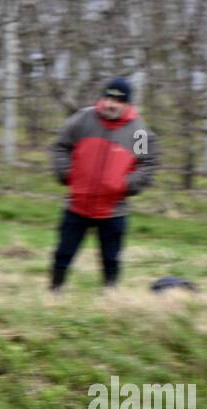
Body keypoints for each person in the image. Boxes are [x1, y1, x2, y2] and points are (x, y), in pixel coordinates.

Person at [49, 77, 159, 290]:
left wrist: (125, 185)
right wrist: (66, 174)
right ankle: (54, 293)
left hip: (113, 211)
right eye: (108, 97)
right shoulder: (83, 119)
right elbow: (61, 145)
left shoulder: (139, 132)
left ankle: (110, 300)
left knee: (111, 260)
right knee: (63, 253)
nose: (110, 104)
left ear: (128, 104)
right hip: (77, 205)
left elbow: (147, 164)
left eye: (118, 100)